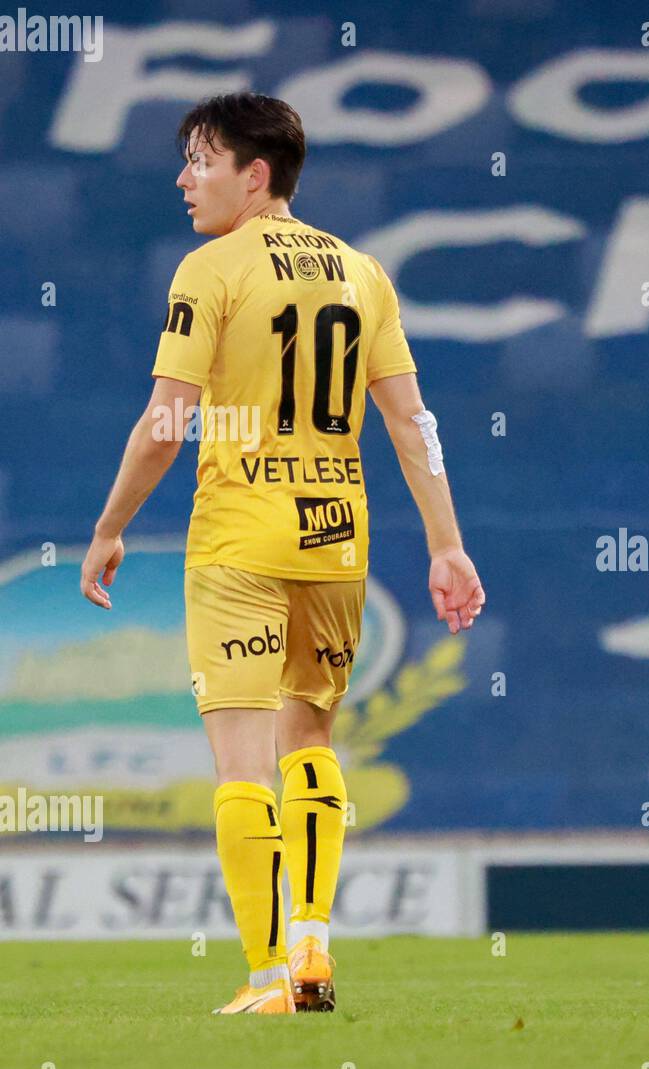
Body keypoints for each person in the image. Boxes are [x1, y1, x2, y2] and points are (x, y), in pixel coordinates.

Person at [80, 93, 485, 1015]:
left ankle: (267, 973)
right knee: (312, 741)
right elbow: (411, 420)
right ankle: (313, 951)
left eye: (201, 161)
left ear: (254, 174)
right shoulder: (362, 271)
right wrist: (447, 543)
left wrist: (109, 527)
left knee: (239, 762)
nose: (185, 180)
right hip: (338, 538)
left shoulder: (211, 268)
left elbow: (166, 422)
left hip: (238, 542)